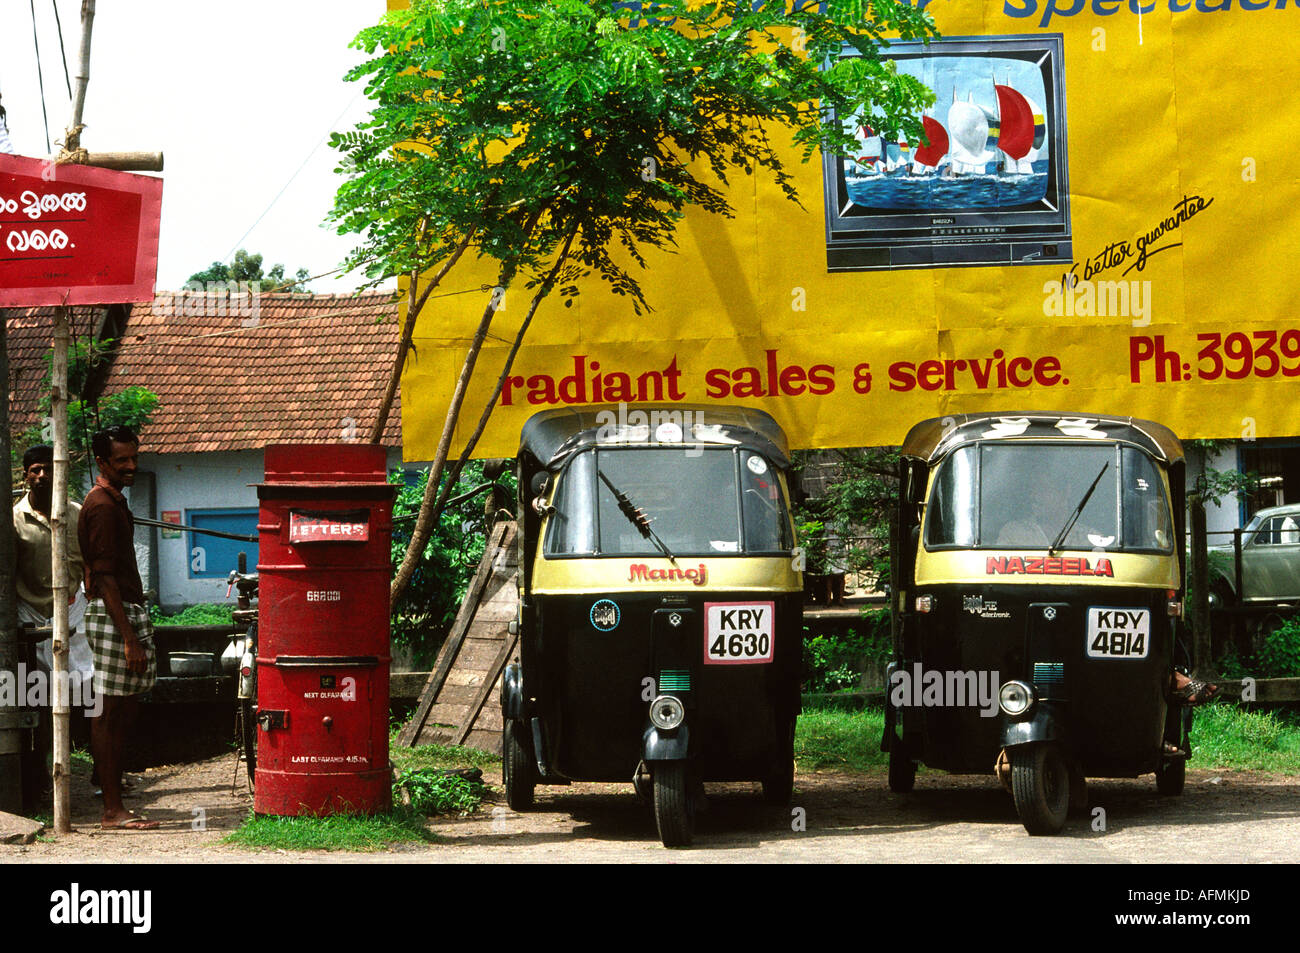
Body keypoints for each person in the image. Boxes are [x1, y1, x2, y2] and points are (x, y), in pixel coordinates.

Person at [78, 426, 159, 830]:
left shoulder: (114, 501)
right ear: (102, 462)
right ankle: (112, 810)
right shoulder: (102, 506)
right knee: (108, 711)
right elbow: (105, 576)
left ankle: (113, 796)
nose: (130, 465)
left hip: (124, 611)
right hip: (113, 615)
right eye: (121, 460)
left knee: (124, 708)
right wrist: (128, 637)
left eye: (133, 457)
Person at [12, 445, 92, 794]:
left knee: (92, 692)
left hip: (74, 608)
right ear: (25, 474)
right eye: (35, 470)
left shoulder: (77, 514)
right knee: (36, 697)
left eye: (48, 469)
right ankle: (39, 778)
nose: (42, 476)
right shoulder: (14, 520)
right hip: (30, 614)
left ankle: (103, 773)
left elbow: (88, 564)